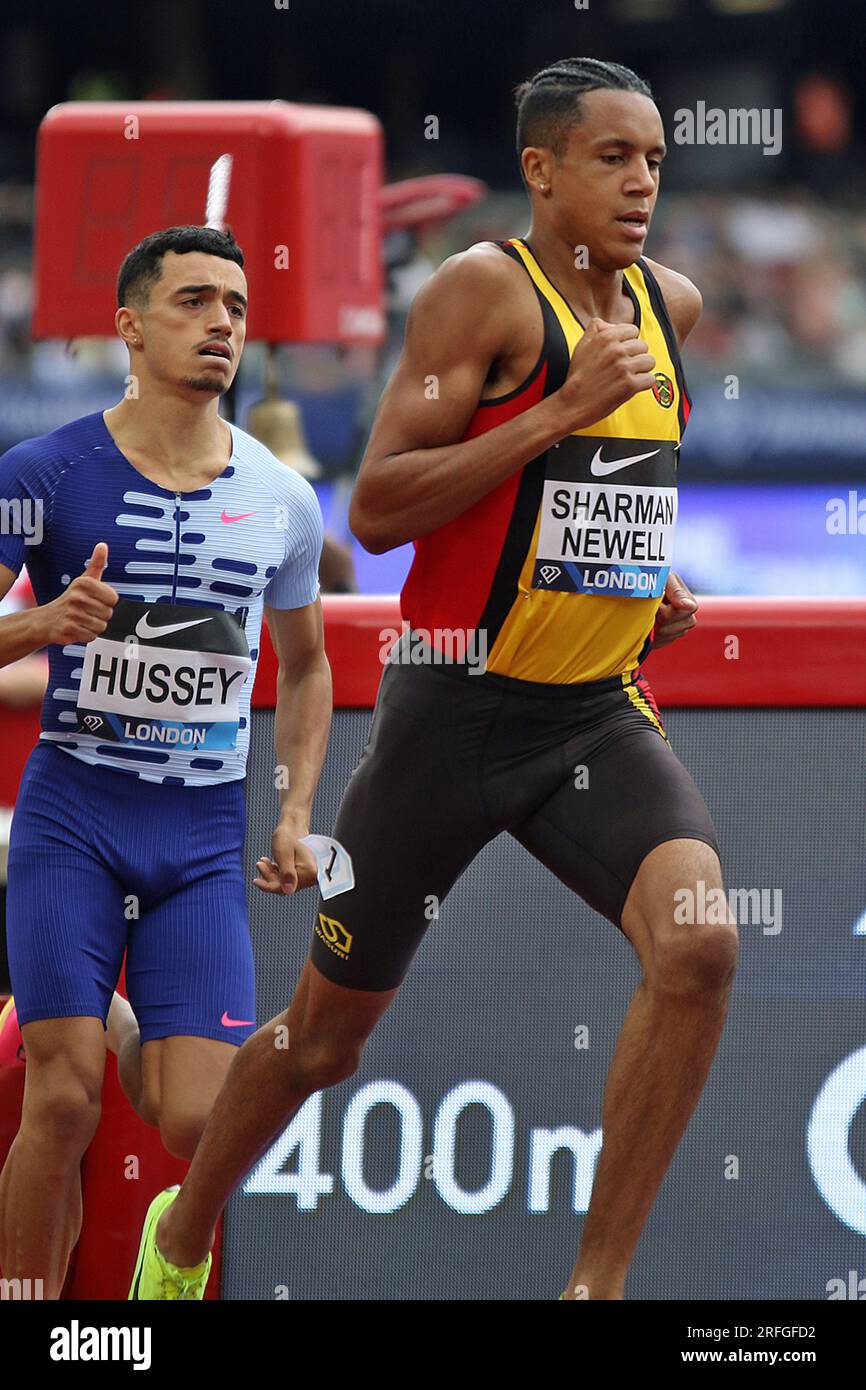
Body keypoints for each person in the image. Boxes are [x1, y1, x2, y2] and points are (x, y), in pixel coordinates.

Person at [130, 58, 736, 1302]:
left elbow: (592, 501)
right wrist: (555, 406)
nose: (639, 184)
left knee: (701, 948)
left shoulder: (669, 303)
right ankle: (180, 1239)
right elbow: (383, 502)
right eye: (611, 158)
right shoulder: (480, 295)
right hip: (449, 714)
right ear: (540, 169)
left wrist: (638, 586)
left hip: (589, 714)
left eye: (656, 160)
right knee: (318, 1046)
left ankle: (594, 1287)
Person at [0, 225, 329, 1300]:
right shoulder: (42, 474)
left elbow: (309, 667)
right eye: (193, 302)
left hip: (194, 839)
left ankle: (122, 1024)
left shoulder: (281, 498)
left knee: (196, 1118)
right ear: (130, 329)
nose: (222, 324)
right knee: (60, 1100)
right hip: (72, 823)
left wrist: (293, 813)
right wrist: (44, 622)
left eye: (235, 305)